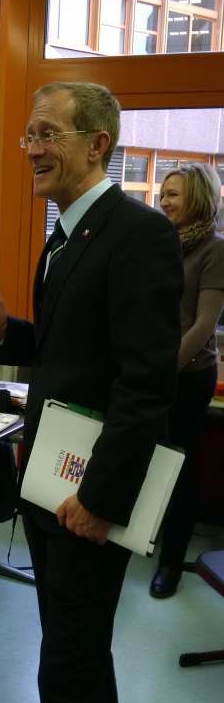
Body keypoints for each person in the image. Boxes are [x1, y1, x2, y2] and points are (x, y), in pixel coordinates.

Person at [0, 81, 183, 703]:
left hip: (87, 500)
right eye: (28, 136)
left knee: (70, 670)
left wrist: (103, 498)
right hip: (48, 488)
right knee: (66, 660)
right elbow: (76, 352)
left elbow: (146, 382)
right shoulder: (63, 239)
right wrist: (8, 333)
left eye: (48, 134)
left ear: (96, 143)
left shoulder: (140, 234)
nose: (32, 150)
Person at [150, 163, 224, 599]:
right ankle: (142, 539)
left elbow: (204, 324)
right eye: (162, 193)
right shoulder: (160, 243)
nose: (164, 201)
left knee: (180, 467)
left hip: (189, 376)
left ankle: (171, 563)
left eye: (173, 194)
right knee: (145, 460)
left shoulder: (214, 249)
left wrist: (163, 369)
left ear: (196, 198)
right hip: (154, 371)